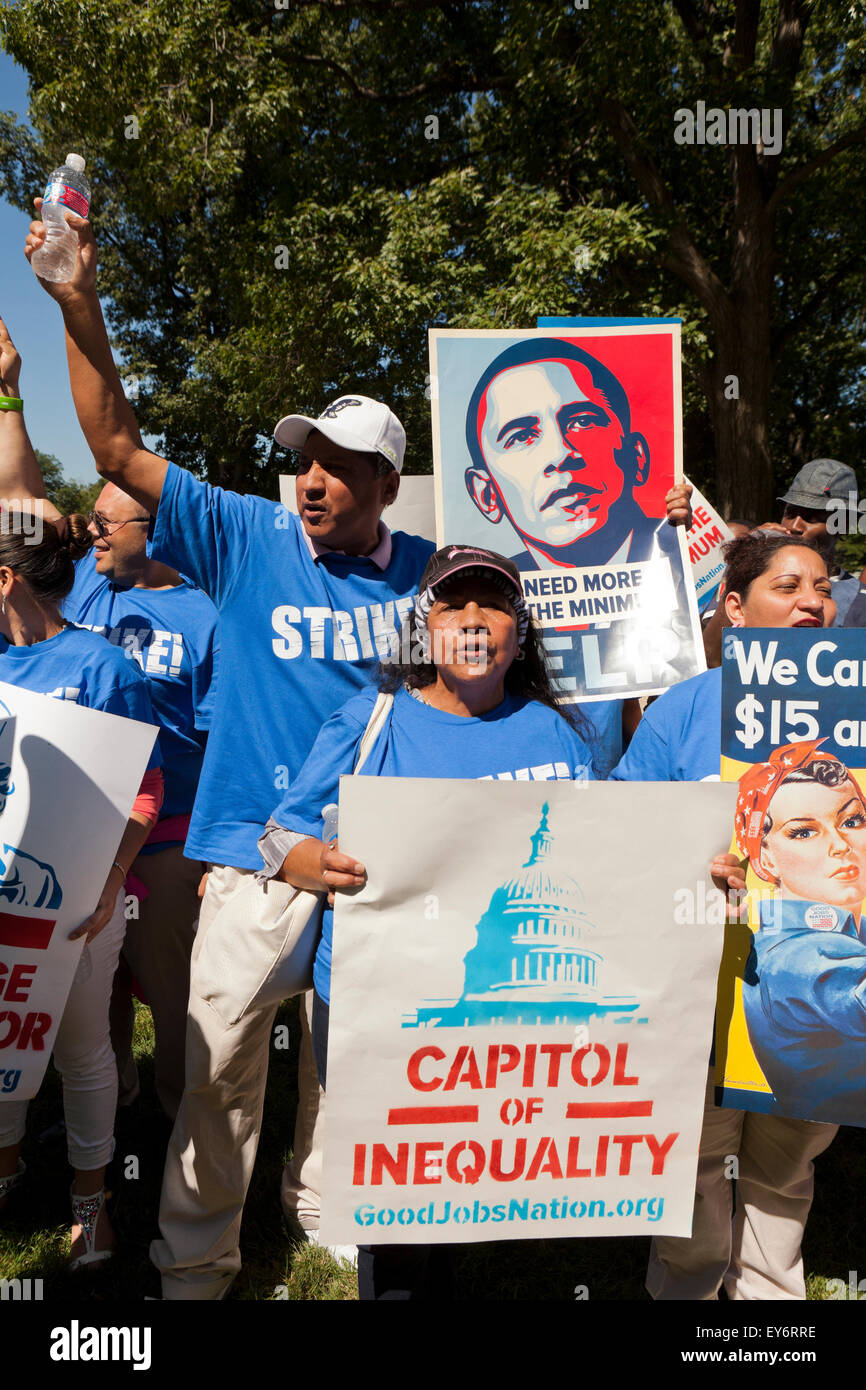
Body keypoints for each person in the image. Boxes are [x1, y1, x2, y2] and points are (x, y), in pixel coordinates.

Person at [25, 207, 435, 1296]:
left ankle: (326, 1209)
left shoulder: (438, 575)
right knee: (213, 1067)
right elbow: (114, 446)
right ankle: (196, 1256)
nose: (310, 476)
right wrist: (77, 301)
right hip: (252, 857)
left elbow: (531, 654)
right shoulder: (242, 534)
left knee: (353, 1064)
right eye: (304, 455)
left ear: (387, 485)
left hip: (382, 861)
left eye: (341, 464)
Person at [262, 544, 597, 1298]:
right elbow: (277, 837)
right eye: (453, 603)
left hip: (499, 1016)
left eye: (494, 604)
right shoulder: (369, 720)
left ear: (520, 629)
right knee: (396, 1189)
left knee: (458, 1178)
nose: (473, 620)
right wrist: (323, 865)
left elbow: (600, 856)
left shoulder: (554, 734)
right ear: (425, 622)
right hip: (378, 996)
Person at [0, 313, 218, 1121]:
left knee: (170, 995)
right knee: (95, 993)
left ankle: (177, 1127)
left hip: (161, 838)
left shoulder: (207, 615)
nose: (86, 533)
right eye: (86, 522)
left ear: (153, 530)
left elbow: (224, 736)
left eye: (103, 523)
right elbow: (20, 505)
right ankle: (109, 1113)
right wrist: (9, 397)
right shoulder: (87, 587)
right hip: (65, 831)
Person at [610, 531, 839, 1300]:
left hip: (820, 988)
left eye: (822, 588)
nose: (813, 600)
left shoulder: (859, 713)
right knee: (698, 1156)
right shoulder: (681, 709)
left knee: (786, 1158)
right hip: (700, 976)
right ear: (733, 609)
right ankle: (690, 1286)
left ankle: (771, 1302)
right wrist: (692, 858)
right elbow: (618, 830)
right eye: (789, 586)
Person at [0, 510, 163, 1269]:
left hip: (79, 901)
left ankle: (91, 1206)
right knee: (4, 1039)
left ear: (5, 579)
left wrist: (112, 874)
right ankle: (7, 1168)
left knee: (81, 1051)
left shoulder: (105, 668)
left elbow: (146, 791)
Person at [732, 741, 866, 1125]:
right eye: (804, 833)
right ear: (766, 857)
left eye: (852, 821)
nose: (841, 846)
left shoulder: (834, 931)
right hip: (802, 1124)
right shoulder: (803, 956)